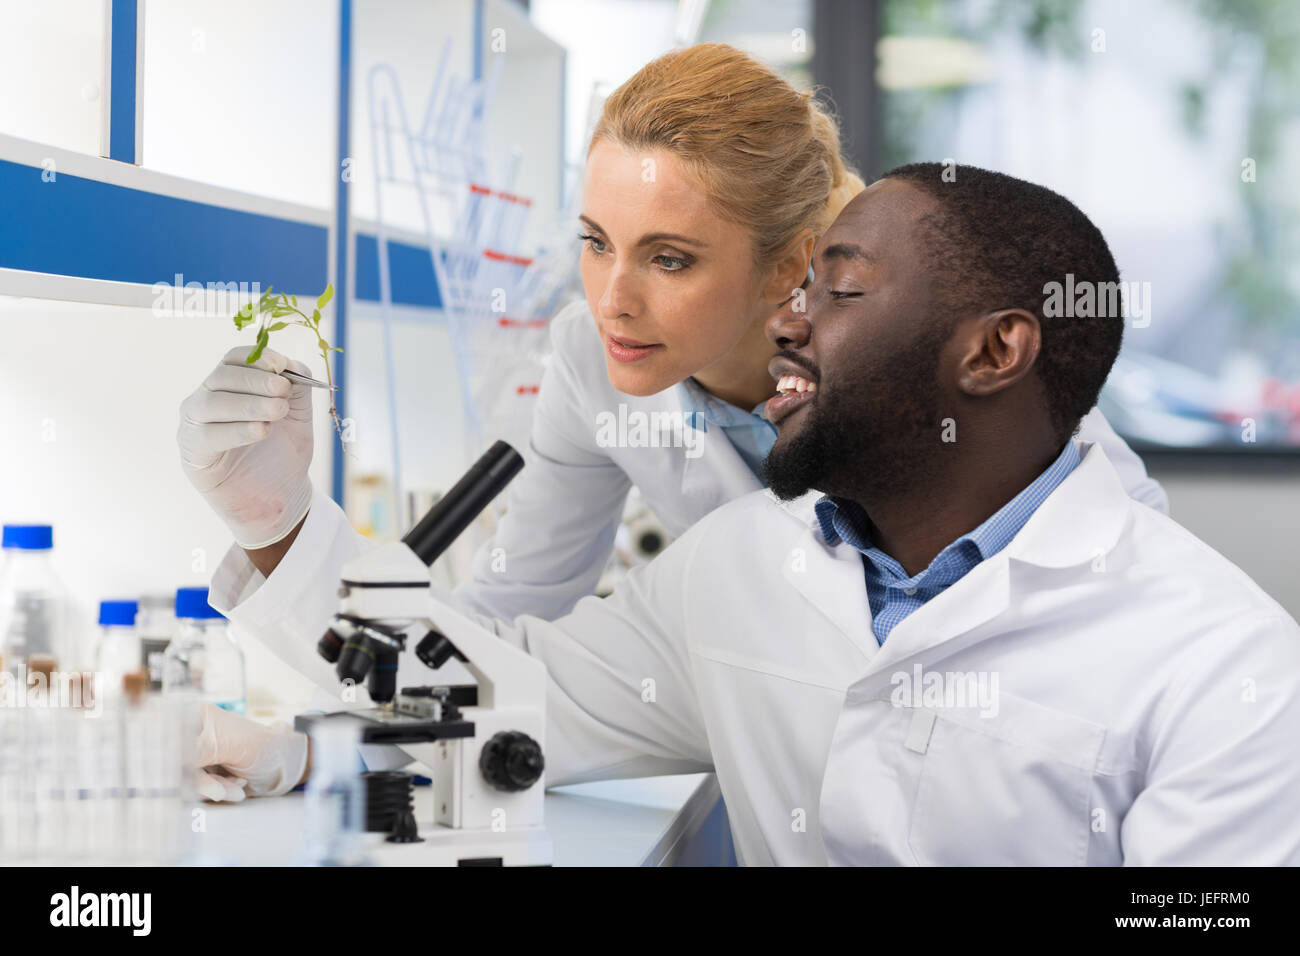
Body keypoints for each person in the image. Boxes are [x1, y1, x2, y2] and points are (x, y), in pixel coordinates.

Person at [195, 164, 1300, 865]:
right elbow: (493, 702)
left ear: (994, 350)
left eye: (838, 288)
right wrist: (278, 521)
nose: (788, 322)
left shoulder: (1224, 667)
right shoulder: (740, 567)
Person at [177, 44, 1166, 640]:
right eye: (595, 243)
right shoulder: (588, 358)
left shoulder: (912, 355)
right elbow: (521, 612)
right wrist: (278, 526)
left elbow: (1130, 558)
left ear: (795, 263)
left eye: (671, 258)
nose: (611, 298)